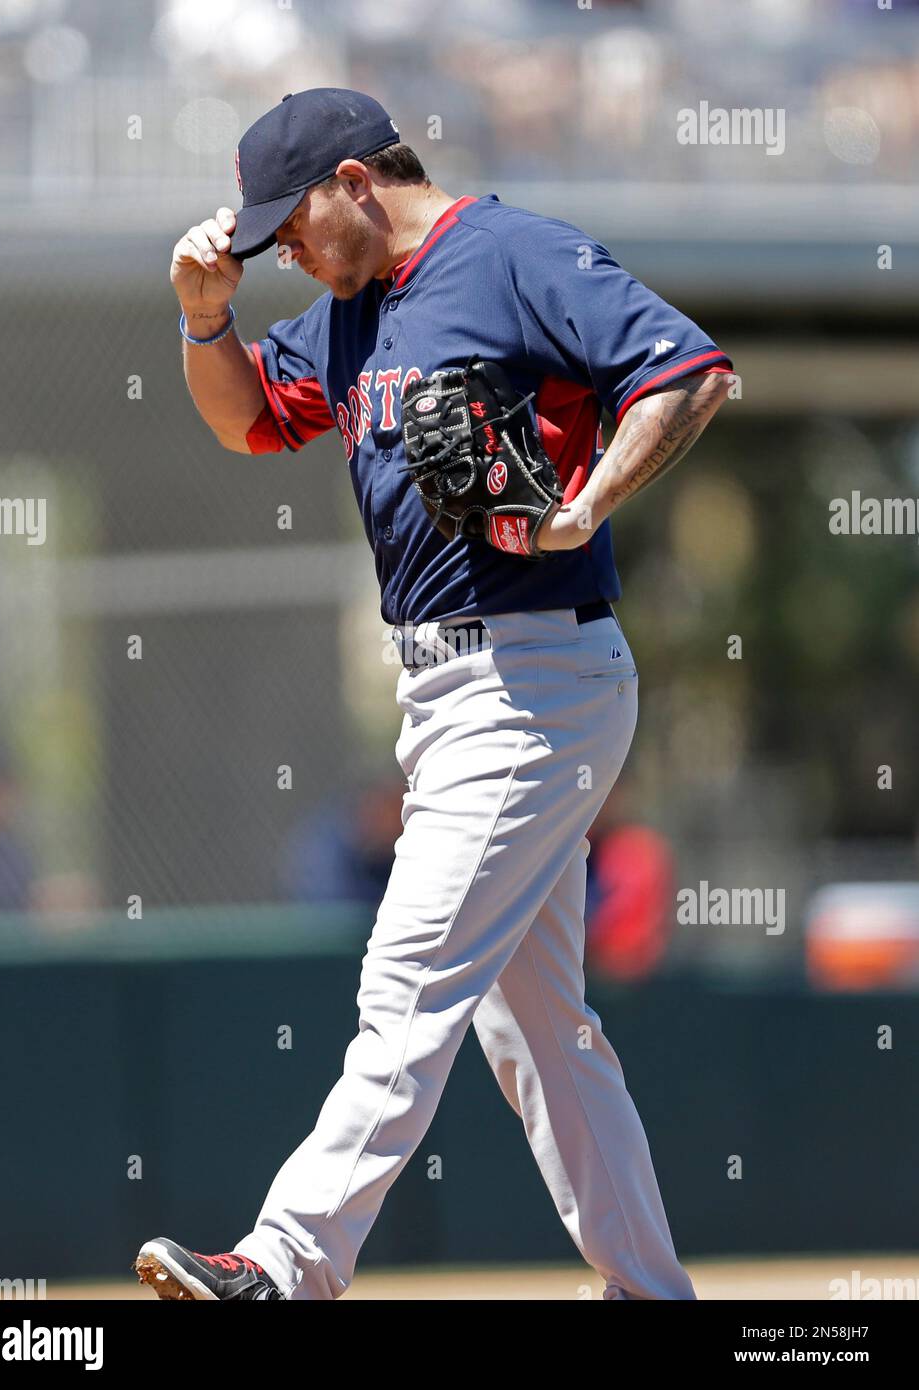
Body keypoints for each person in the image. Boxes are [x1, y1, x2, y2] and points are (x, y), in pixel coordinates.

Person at [135, 88, 732, 1302]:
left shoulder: (512, 256)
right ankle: (650, 1292)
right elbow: (246, 420)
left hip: (534, 675)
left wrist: (580, 508)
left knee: (407, 982)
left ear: (357, 180)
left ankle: (287, 1261)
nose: (280, 252)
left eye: (289, 224)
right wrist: (208, 325)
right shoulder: (349, 314)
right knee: (536, 1030)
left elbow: (688, 371)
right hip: (448, 693)